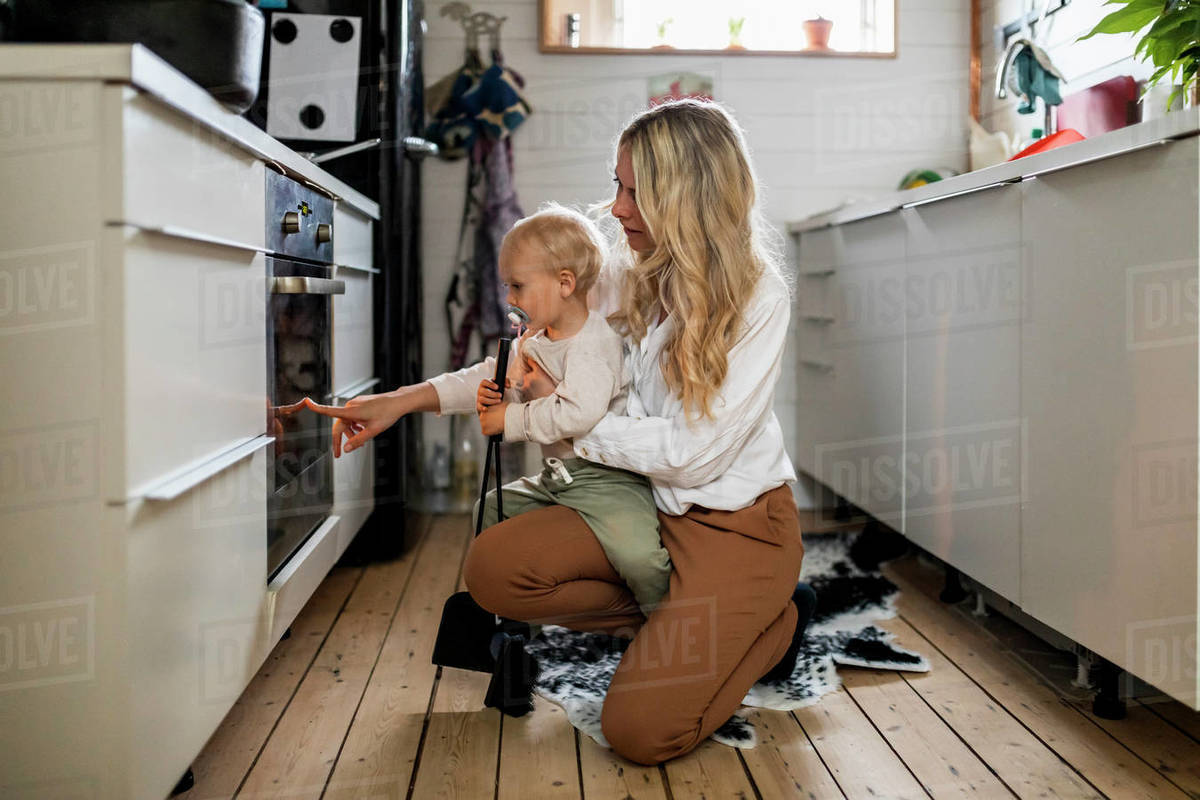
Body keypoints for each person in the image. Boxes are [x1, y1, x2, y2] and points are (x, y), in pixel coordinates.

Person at [301, 99, 816, 766]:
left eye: (635, 190)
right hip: (639, 501)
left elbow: (693, 456)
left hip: (734, 523)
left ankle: (775, 622)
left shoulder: (759, 297)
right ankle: (686, 628)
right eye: (617, 185)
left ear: (685, 195)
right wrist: (403, 401)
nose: (618, 207)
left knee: (638, 731)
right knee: (494, 565)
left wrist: (574, 426)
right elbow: (528, 364)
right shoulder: (623, 277)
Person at [432, 204, 672, 614]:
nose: (509, 297)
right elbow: (507, 380)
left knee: (640, 559)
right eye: (507, 286)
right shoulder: (535, 339)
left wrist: (510, 419)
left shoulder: (594, 344)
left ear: (564, 283)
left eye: (517, 286)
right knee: (487, 511)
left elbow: (578, 414)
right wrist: (498, 396)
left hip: (608, 481)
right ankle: (518, 617)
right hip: (558, 477)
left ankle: (664, 615)